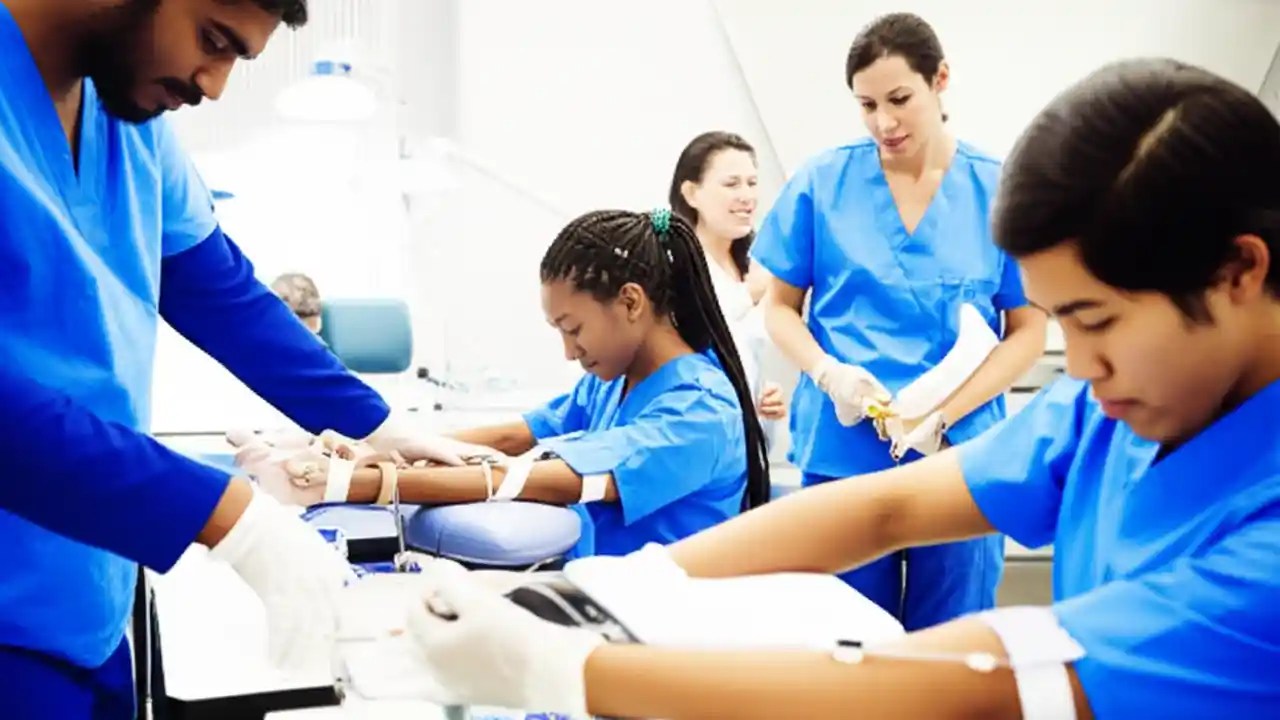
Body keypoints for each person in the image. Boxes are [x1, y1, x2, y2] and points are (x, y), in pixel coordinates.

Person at [402, 56, 1280, 719]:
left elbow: (992, 680)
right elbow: (877, 509)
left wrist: (563, 667)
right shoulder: (1113, 415)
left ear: (1238, 272)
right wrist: (602, 595)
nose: (1080, 367)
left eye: (1098, 321)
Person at [0, 1, 490, 716]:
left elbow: (219, 291)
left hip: (87, 604)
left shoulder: (126, 126)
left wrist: (379, 425)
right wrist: (230, 517)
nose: (216, 85)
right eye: (213, 41)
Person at [241, 208, 771, 558]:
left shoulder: (699, 409)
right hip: (599, 596)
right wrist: (370, 450)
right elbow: (512, 438)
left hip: (663, 626)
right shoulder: (615, 381)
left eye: (574, 329)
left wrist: (348, 484)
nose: (569, 351)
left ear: (631, 302)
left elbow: (550, 478)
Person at [751, 12, 1046, 629]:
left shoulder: (999, 189)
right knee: (849, 636)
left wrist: (945, 413)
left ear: (940, 80)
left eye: (899, 99)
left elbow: (1027, 331)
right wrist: (828, 373)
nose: (884, 122)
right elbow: (778, 307)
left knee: (952, 634)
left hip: (958, 454)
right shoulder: (824, 182)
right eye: (866, 105)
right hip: (844, 448)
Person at [669, 131, 786, 421]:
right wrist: (748, 295)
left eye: (752, 183)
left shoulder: (757, 265)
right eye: (732, 184)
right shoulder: (673, 264)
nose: (747, 196)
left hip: (754, 445)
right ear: (691, 193)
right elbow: (691, 338)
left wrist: (762, 388)